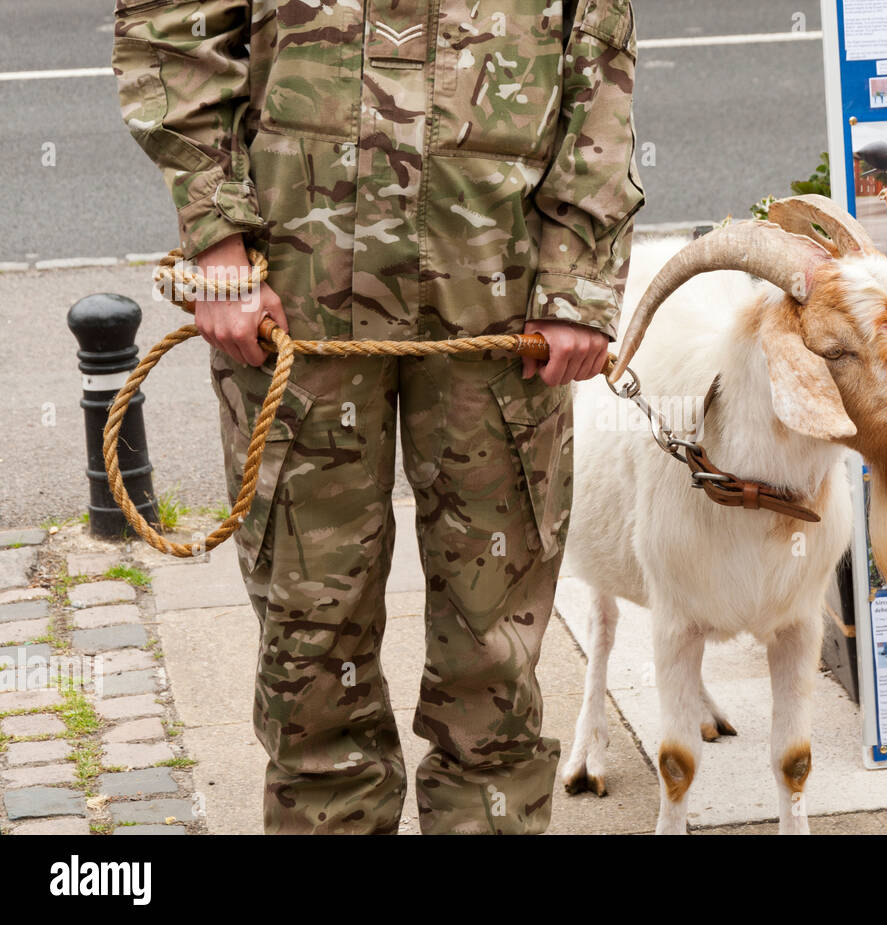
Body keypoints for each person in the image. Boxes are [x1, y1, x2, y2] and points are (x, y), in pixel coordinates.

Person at [114, 0, 644, 835]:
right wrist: (216, 240)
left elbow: (599, 46)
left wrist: (577, 276)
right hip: (293, 298)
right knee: (311, 658)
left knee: (493, 669)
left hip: (500, 309)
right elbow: (169, 23)